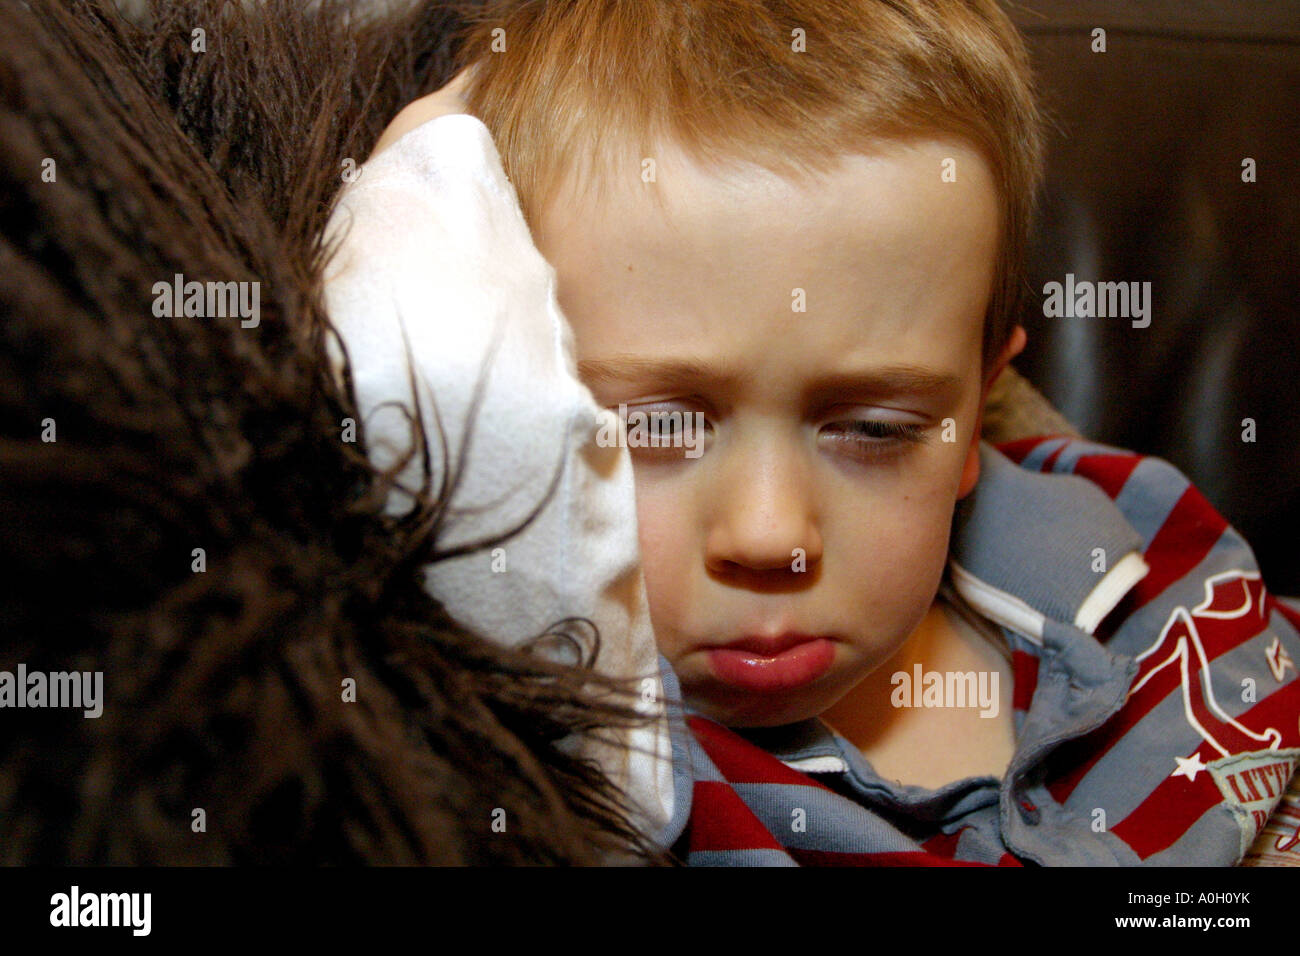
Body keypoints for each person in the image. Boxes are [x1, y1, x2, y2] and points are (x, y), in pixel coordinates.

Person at [326, 0, 1300, 864]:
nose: (770, 534)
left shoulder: (1148, 551)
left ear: (974, 414)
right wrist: (418, 176)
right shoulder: (600, 769)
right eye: (661, 423)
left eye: (874, 427)